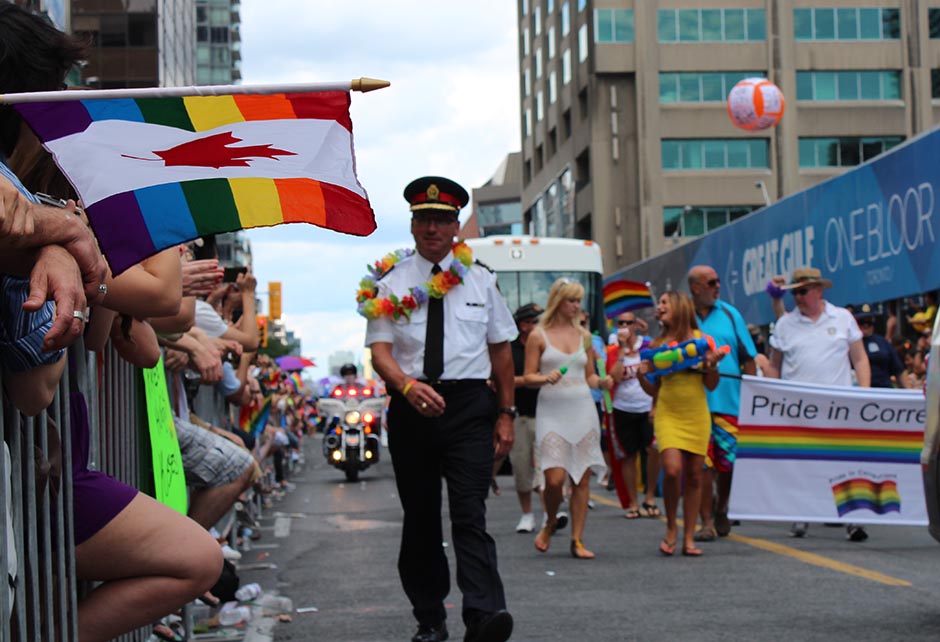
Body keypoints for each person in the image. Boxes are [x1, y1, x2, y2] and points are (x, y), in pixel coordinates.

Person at [366, 176, 515, 642]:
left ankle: (484, 614)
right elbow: (380, 352)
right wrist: (406, 386)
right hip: (412, 408)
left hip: (469, 408)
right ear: (413, 225)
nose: (432, 228)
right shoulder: (390, 281)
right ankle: (430, 617)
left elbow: (501, 351)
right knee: (421, 519)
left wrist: (506, 414)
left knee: (470, 513)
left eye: (442, 220)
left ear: (456, 227)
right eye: (424, 219)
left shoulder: (481, 278)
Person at [764, 267, 872, 541]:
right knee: (802, 463)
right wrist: (772, 398)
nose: (799, 297)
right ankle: (801, 513)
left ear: (819, 290)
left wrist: (864, 393)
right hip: (799, 409)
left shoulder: (843, 317)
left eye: (803, 291)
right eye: (795, 293)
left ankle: (853, 519)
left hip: (839, 407)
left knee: (846, 462)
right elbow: (775, 365)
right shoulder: (785, 324)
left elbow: (859, 358)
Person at [524, 278, 613, 560]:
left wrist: (603, 382)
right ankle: (550, 521)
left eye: (578, 301)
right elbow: (528, 376)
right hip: (551, 411)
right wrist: (543, 378)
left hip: (582, 408)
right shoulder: (538, 335)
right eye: (571, 300)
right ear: (558, 302)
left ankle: (577, 539)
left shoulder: (585, 336)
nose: (576, 306)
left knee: (581, 478)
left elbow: (590, 376)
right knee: (554, 479)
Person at [638, 291, 723, 557]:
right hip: (668, 412)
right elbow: (653, 390)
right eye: (660, 303)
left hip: (696, 413)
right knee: (673, 470)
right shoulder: (656, 345)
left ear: (680, 306)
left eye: (665, 302)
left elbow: (711, 385)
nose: (660, 307)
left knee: (696, 475)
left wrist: (712, 366)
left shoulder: (701, 340)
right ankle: (671, 526)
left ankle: (688, 537)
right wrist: (642, 376)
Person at [687, 265, 757, 540]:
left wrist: (753, 397)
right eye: (712, 282)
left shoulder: (730, 313)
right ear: (696, 288)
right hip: (695, 403)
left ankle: (722, 506)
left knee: (728, 464)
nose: (718, 286)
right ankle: (705, 522)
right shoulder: (684, 316)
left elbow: (748, 358)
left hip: (730, 402)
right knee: (702, 465)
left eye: (718, 281)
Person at [607, 310, 659, 519]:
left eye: (628, 323)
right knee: (628, 455)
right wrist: (621, 350)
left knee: (653, 449)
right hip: (623, 407)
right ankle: (633, 502)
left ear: (636, 325)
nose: (624, 327)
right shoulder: (613, 350)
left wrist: (655, 405)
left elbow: (657, 374)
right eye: (620, 323)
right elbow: (615, 377)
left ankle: (650, 496)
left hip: (646, 405)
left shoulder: (647, 345)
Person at [508, 303, 543, 533]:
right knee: (521, 470)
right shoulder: (510, 350)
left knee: (546, 470)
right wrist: (531, 379)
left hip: (546, 414)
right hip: (519, 415)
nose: (539, 326)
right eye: (534, 322)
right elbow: (503, 380)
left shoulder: (546, 347)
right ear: (523, 325)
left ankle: (550, 513)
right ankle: (527, 514)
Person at [856, 304, 903, 388]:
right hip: (859, 389)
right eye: (862, 322)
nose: (866, 325)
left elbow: (898, 370)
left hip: (883, 389)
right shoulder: (851, 344)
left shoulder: (883, 343)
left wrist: (909, 391)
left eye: (869, 322)